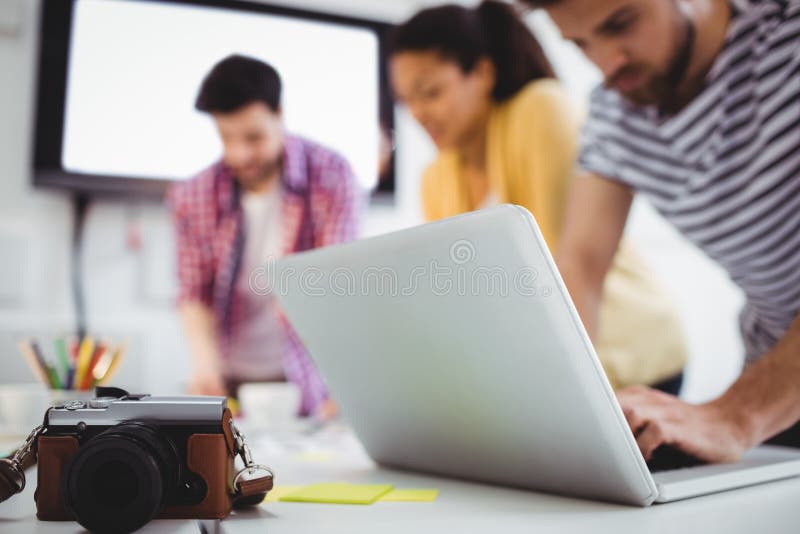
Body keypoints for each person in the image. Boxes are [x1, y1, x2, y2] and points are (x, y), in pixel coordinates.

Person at [519, 0, 800, 460]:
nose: (608, 62)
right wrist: (556, 411)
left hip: (763, 401)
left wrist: (736, 415)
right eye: (581, 43)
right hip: (774, 385)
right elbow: (582, 264)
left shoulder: (787, 37)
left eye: (622, 23)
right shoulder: (614, 114)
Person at [389, 1, 689, 392]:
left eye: (430, 92)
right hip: (546, 369)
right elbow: (463, 296)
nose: (418, 113)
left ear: (482, 73)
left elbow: (564, 271)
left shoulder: (539, 109)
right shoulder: (436, 177)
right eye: (405, 100)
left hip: (626, 355)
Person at [168, 55, 362, 416]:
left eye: (254, 137)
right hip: (230, 377)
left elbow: (337, 287)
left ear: (280, 114)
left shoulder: (332, 177)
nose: (240, 154)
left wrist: (346, 378)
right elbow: (194, 292)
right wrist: (205, 365)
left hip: (307, 377)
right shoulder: (193, 195)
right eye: (227, 137)